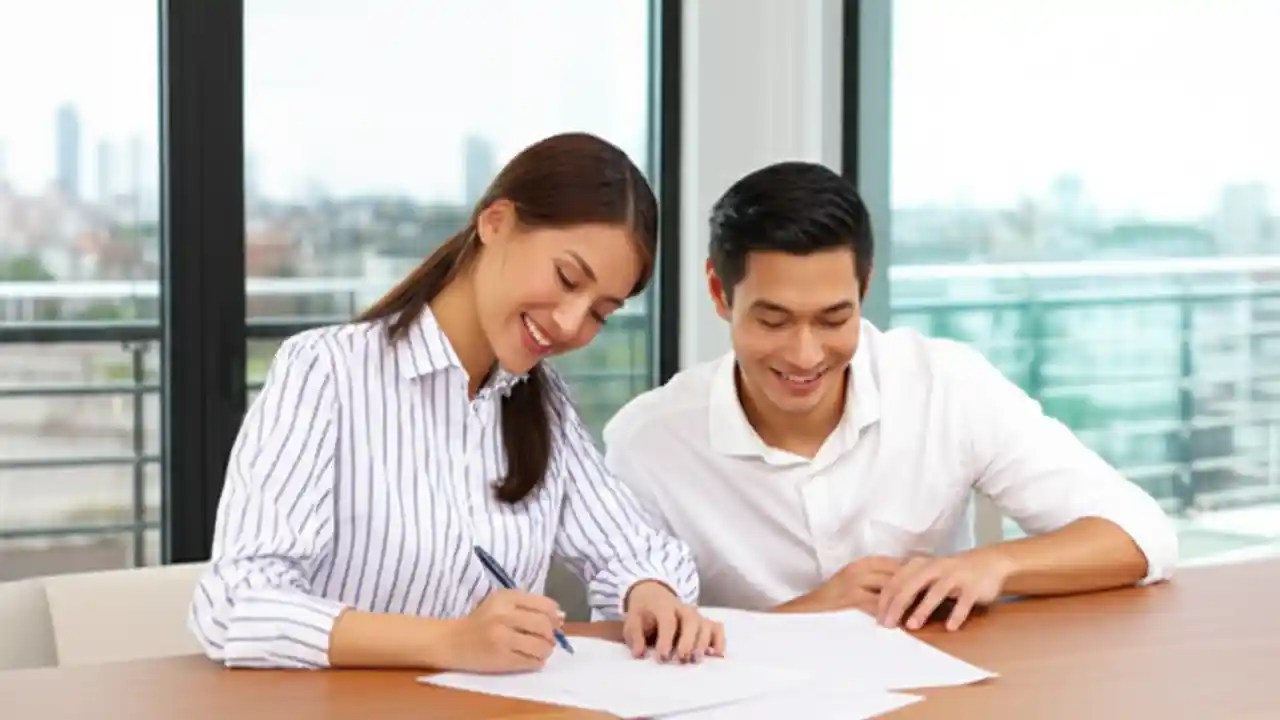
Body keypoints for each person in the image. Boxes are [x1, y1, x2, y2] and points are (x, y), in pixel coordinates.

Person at [189, 132, 724, 672]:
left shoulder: (543, 404)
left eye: (599, 313)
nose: (569, 322)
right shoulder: (325, 371)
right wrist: (450, 643)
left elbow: (631, 547)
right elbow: (236, 604)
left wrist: (650, 592)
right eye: (566, 278)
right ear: (495, 222)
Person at [603, 161, 1178, 632]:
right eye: (773, 321)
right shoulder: (648, 442)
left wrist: (992, 565)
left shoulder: (944, 383)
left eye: (834, 318)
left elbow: (1141, 535)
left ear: (865, 288)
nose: (806, 355)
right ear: (718, 293)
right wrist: (804, 619)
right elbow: (635, 648)